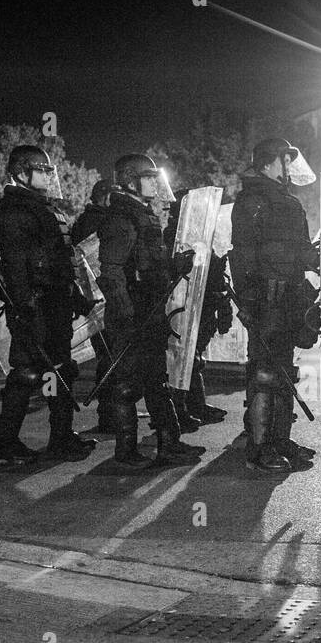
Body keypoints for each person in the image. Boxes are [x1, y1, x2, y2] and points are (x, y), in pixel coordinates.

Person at [0, 145, 97, 464]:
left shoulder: (41, 207)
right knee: (26, 374)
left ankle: (61, 437)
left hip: (55, 302)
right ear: (22, 173)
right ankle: (5, 441)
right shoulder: (14, 212)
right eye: (43, 170)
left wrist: (74, 294)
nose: (50, 176)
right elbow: (15, 266)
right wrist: (25, 309)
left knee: (61, 370)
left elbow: (58, 258)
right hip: (35, 306)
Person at [97, 154, 202, 469]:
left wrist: (174, 265)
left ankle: (169, 444)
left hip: (149, 309)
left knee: (157, 379)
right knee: (127, 384)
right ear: (131, 180)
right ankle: (126, 451)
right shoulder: (122, 218)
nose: (156, 182)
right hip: (132, 313)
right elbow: (111, 271)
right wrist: (126, 313)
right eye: (149, 176)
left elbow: (148, 266)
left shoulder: (142, 214)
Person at [229, 137, 320, 472]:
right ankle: (259, 447)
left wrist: (317, 256)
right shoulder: (253, 200)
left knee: (283, 371)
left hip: (288, 298)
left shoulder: (286, 201)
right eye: (284, 159)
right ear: (269, 162)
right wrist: (249, 302)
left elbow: (298, 248)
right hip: (266, 300)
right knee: (266, 373)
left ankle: (280, 440)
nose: (288, 166)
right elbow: (243, 255)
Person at [165, 188, 230, 429]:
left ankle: (196, 406)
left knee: (194, 358)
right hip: (184, 306)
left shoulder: (198, 235)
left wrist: (221, 301)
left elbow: (212, 270)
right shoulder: (176, 236)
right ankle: (179, 410)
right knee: (183, 359)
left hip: (204, 304)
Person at [70, 178, 116, 433]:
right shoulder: (97, 223)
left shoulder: (87, 220)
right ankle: (109, 414)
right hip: (102, 298)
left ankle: (110, 412)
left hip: (98, 297)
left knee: (109, 356)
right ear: (106, 197)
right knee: (110, 357)